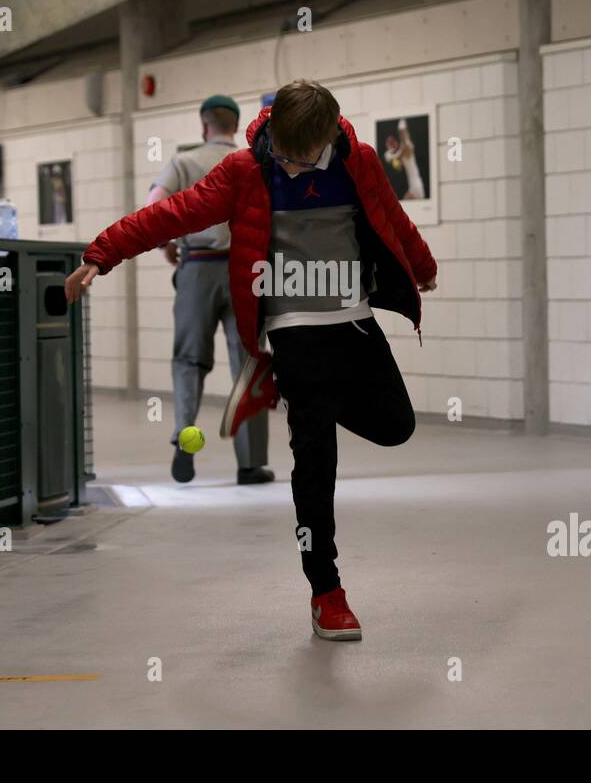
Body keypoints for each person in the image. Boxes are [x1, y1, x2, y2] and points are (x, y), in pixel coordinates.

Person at [66, 80, 438, 642]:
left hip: (353, 317)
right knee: (316, 465)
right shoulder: (245, 171)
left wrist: (421, 266)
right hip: (292, 326)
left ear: (329, 136)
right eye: (283, 154)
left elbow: (392, 217)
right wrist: (102, 254)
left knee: (396, 425)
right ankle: (327, 593)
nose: (290, 164)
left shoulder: (357, 161)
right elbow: (172, 214)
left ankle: (274, 388)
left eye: (301, 157)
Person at [148, 94, 273, 485]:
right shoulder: (254, 163)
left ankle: (184, 441)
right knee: (248, 364)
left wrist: (167, 243)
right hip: (244, 273)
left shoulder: (183, 162)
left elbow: (155, 205)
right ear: (235, 126)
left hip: (197, 269)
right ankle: (250, 464)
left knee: (188, 361)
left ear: (204, 125)